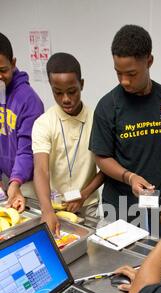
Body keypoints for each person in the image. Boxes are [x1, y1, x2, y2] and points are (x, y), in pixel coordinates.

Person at [89, 24, 161, 230]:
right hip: (119, 204)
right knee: (118, 261)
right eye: (119, 73)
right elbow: (101, 157)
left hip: (157, 201)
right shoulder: (108, 106)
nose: (124, 81)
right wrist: (130, 176)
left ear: (149, 61)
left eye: (132, 73)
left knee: (155, 254)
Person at [32, 53, 104, 235]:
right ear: (51, 88)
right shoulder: (44, 123)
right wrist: (47, 209)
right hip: (55, 205)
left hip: (88, 204)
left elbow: (106, 168)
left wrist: (85, 194)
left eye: (72, 91)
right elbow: (41, 170)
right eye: (58, 92)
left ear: (82, 84)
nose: (65, 98)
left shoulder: (98, 120)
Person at [0, 32, 44, 211]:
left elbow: (27, 150)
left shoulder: (29, 101)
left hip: (27, 184)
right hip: (7, 181)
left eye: (3, 70)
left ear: (14, 63)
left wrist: (15, 182)